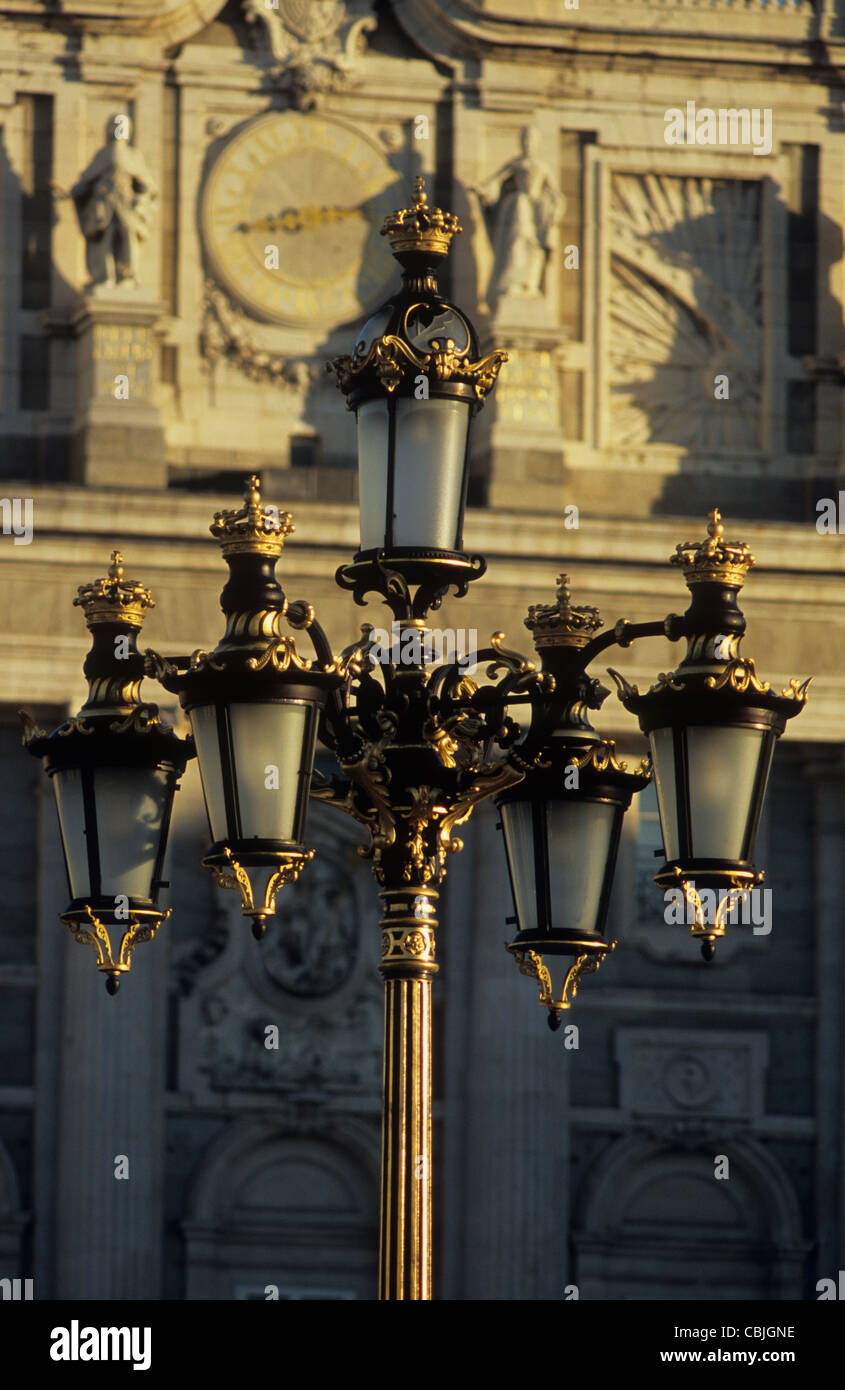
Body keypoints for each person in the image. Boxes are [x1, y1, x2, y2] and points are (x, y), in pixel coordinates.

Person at [473, 126, 565, 302]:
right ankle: (513, 282)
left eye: (531, 140)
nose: (528, 144)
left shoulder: (542, 166)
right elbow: (495, 180)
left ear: (537, 143)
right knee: (516, 243)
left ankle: (530, 285)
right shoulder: (516, 163)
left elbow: (555, 192)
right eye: (525, 140)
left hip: (538, 209)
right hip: (519, 207)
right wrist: (482, 190)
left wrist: (553, 206)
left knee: (535, 248)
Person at [71, 117, 158, 289]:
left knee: (128, 236)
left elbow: (147, 185)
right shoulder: (102, 155)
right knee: (106, 236)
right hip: (105, 205)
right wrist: (79, 190)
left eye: (122, 127)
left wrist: (140, 189)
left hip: (126, 203)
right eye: (115, 126)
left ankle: (128, 276)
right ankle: (105, 277)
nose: (118, 131)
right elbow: (86, 181)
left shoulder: (134, 156)